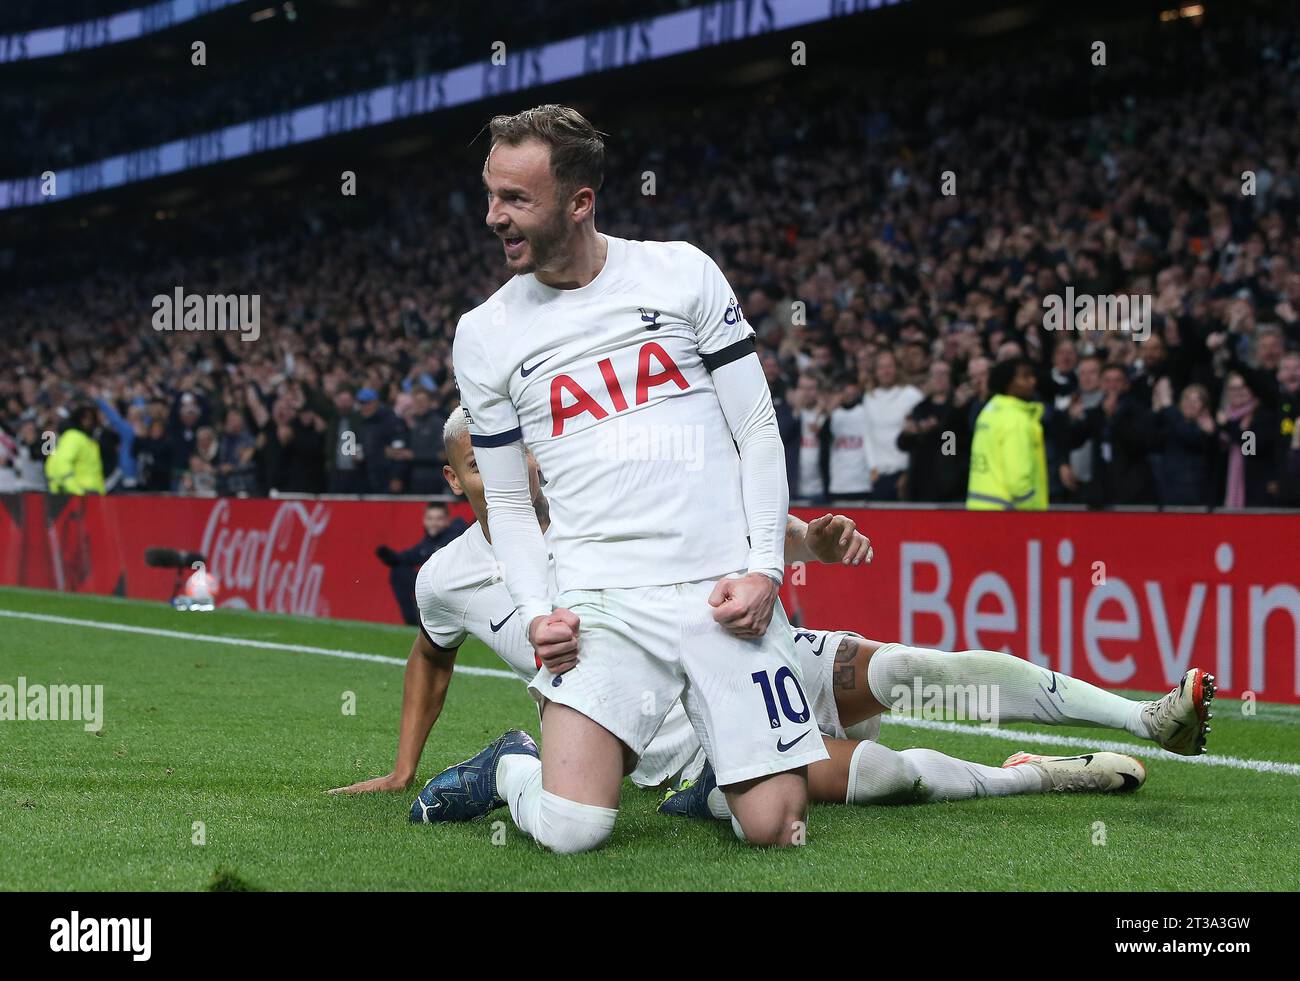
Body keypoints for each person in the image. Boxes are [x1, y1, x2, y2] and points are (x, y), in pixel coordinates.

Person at [329, 411, 1215, 817]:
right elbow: (429, 656)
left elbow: (707, 515)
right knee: (888, 778)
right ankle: (1039, 775)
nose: (510, 476)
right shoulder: (448, 575)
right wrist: (403, 765)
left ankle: (1148, 716)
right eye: (482, 466)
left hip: (758, 657)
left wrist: (806, 543)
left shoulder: (602, 507)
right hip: (690, 742)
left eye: (516, 456)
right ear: (454, 479)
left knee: (915, 672)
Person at [451, 104, 825, 852]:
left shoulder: (681, 271)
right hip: (603, 606)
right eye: (490, 194)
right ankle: (515, 768)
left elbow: (756, 429)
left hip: (721, 591)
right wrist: (535, 611)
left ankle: (719, 765)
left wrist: (764, 570)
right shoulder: (484, 333)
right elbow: (511, 505)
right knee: (573, 828)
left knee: (777, 826)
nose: (494, 216)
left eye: (516, 199)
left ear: (580, 201)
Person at [966, 357, 1047, 510]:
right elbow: (1018, 481)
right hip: (1009, 515)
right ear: (1008, 383)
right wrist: (1033, 513)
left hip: (979, 509)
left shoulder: (989, 411)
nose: (1032, 381)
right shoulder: (1016, 419)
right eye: (1025, 377)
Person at [375, 502, 467, 625]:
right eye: (430, 519)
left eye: (438, 519)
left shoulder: (456, 534)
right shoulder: (427, 543)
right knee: (398, 572)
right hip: (434, 586)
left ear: (447, 521)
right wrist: (387, 555)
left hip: (456, 586)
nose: (433, 523)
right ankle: (412, 621)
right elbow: (406, 558)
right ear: (424, 520)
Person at [863, 349, 922, 501]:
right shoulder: (869, 398)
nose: (886, 371)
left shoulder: (912, 395)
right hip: (878, 475)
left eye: (889, 366)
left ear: (897, 369)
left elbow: (918, 440)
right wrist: (872, 468)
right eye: (881, 367)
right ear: (875, 372)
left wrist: (909, 472)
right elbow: (867, 436)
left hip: (905, 475)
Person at [44, 404, 105, 495]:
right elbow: (62, 463)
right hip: (82, 494)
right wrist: (76, 490)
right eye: (88, 419)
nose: (91, 422)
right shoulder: (74, 437)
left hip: (91, 493)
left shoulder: (87, 439)